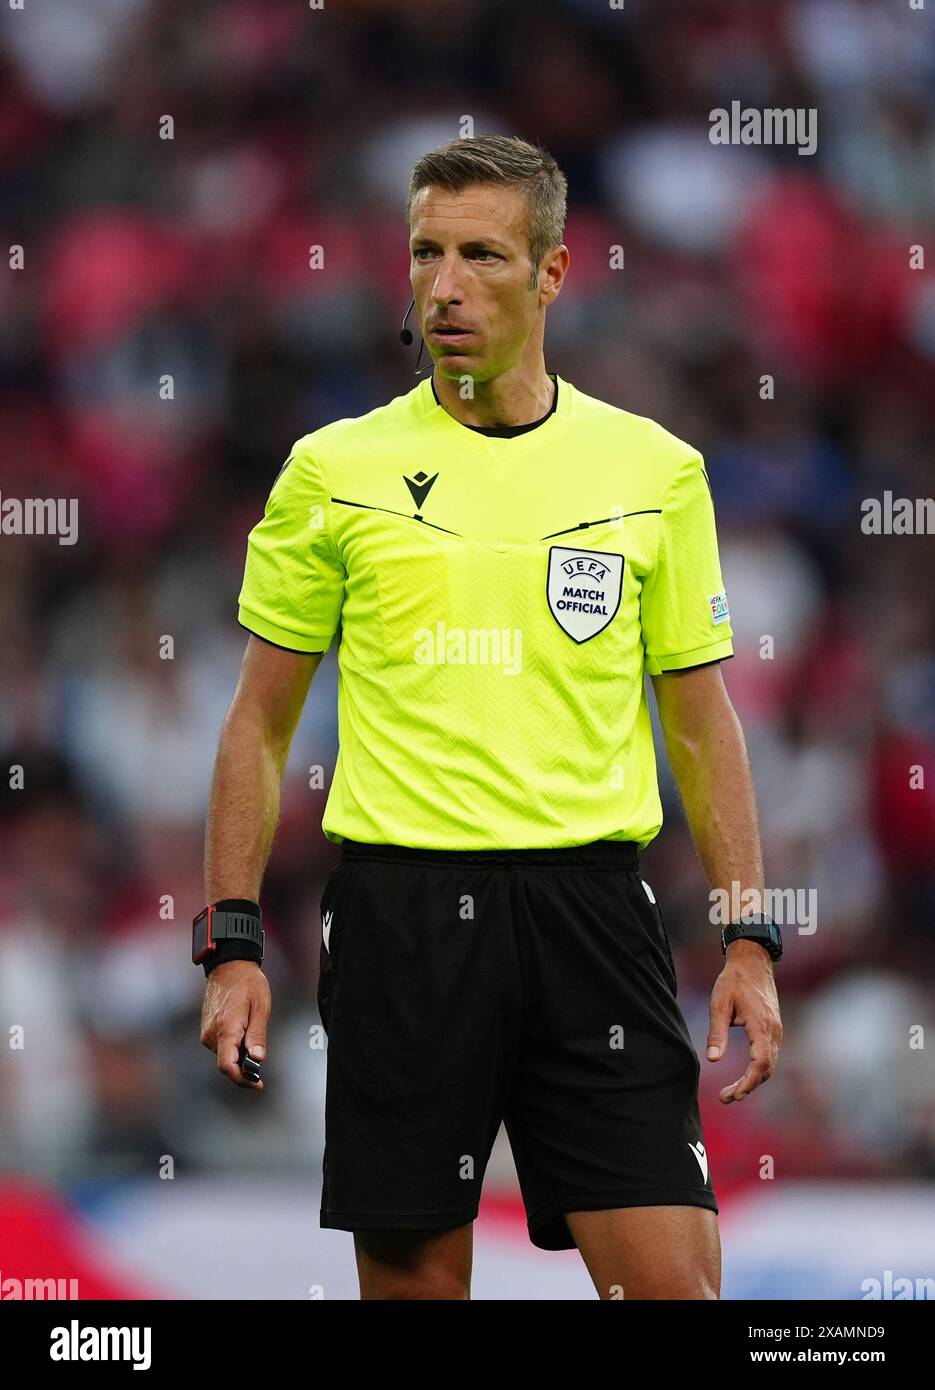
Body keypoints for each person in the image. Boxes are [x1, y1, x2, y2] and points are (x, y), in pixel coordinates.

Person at [197, 134, 782, 1301]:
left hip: (594, 919)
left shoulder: (651, 470)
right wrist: (230, 942)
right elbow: (258, 724)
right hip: (403, 920)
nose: (443, 285)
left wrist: (750, 937)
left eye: (479, 255)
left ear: (552, 273)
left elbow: (700, 724)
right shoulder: (333, 469)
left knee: (672, 1290)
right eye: (423, 252)